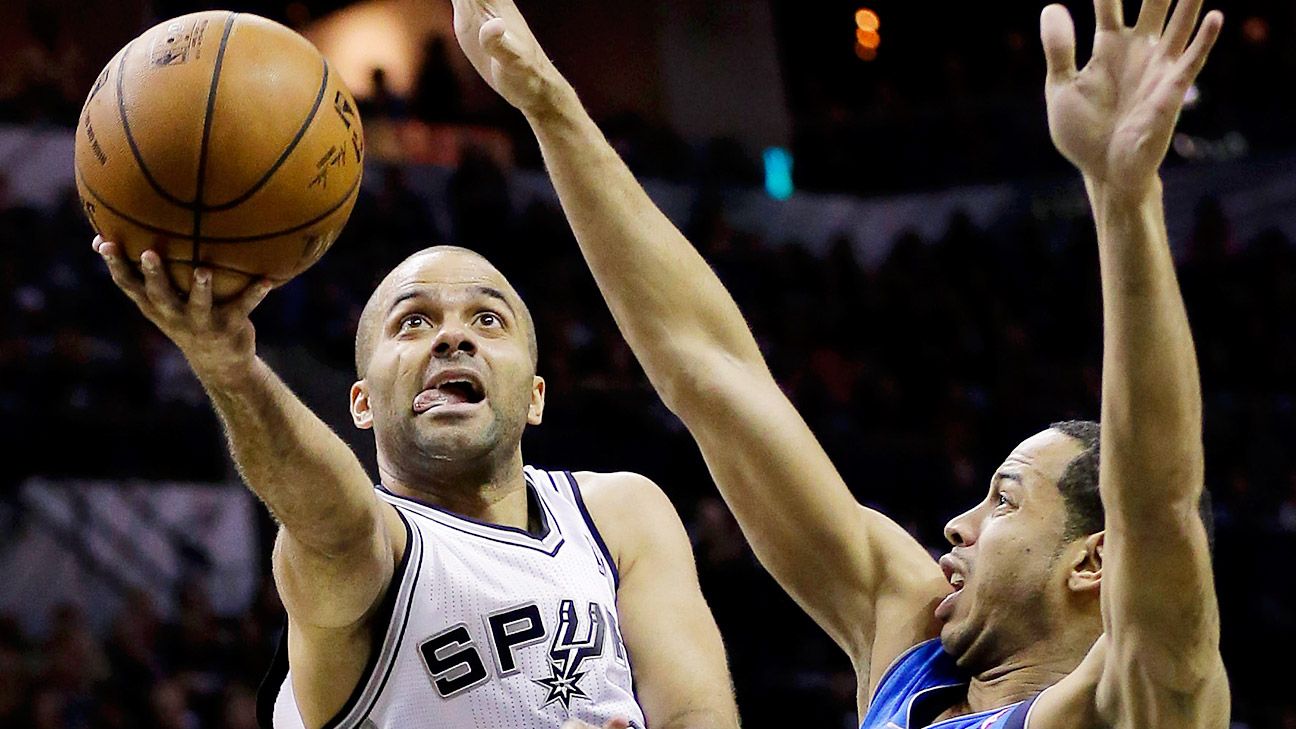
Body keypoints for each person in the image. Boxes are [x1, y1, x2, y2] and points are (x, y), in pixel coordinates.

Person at [450, 0, 1229, 727]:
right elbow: (709, 372)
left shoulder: (1136, 697)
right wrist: (549, 102)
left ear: (1095, 560)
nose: (955, 526)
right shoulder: (904, 630)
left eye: (1004, 501)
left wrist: (1124, 203)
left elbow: (1158, 505)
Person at [91, 240, 739, 729]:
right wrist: (234, 371)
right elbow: (332, 517)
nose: (453, 334)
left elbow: (696, 712)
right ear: (362, 402)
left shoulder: (622, 513)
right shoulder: (366, 553)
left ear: (536, 396)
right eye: (413, 321)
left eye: (488, 320)